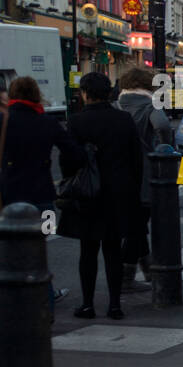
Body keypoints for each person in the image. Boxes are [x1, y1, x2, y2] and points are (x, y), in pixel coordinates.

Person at [63, 72, 142, 320]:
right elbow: (136, 160)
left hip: (88, 196)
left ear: (85, 93)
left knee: (88, 252)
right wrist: (132, 192)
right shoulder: (124, 119)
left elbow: (69, 161)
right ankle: (115, 305)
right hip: (118, 195)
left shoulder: (76, 122)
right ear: (110, 93)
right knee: (113, 251)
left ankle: (87, 305)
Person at [0, 77, 83, 305]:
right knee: (42, 246)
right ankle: (45, 296)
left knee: (9, 246)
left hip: (9, 196)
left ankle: (14, 296)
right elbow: (74, 154)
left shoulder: (5, 120)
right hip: (43, 196)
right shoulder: (47, 122)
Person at [116, 66, 173, 290]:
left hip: (119, 172)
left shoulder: (117, 105)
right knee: (138, 224)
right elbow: (163, 126)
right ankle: (128, 276)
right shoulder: (150, 105)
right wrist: (163, 150)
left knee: (135, 224)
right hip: (145, 173)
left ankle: (146, 269)